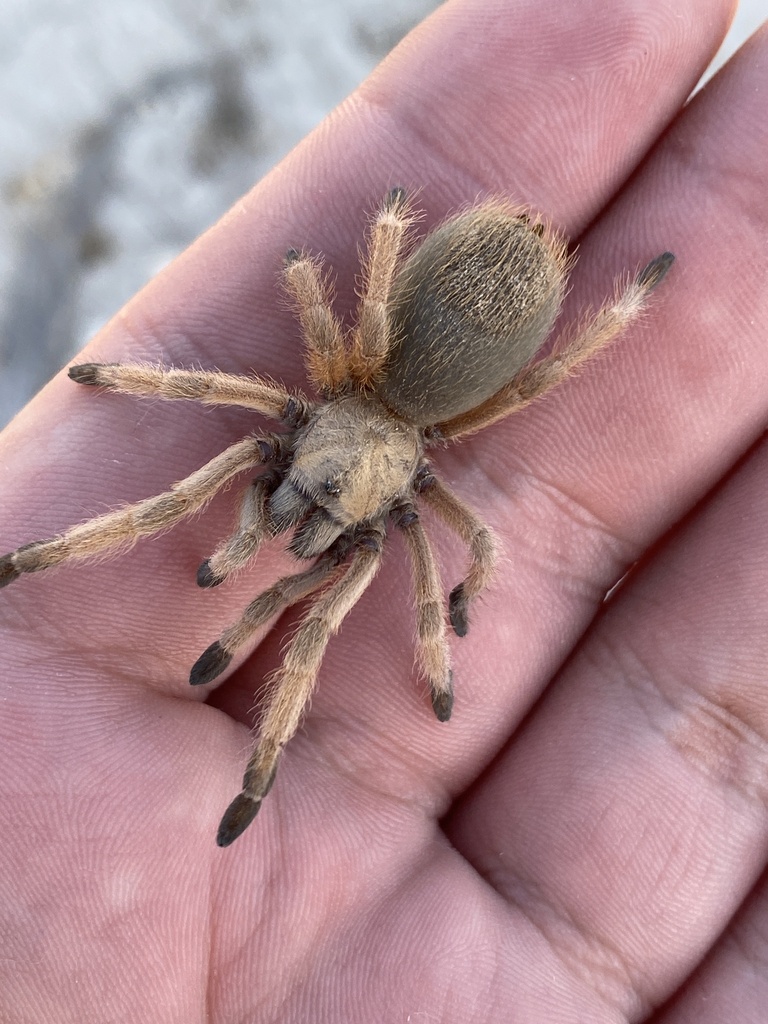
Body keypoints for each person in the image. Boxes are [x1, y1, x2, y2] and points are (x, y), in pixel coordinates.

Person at [1, 0, 765, 1019]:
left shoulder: (372, 471)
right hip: (408, 370)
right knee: (200, 511)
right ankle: (32, 559)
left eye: (303, 501)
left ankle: (230, 744)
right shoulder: (326, 423)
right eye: (309, 501)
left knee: (312, 616)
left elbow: (473, 544)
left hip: (428, 354)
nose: (297, 517)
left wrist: (451, 619)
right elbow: (265, 346)